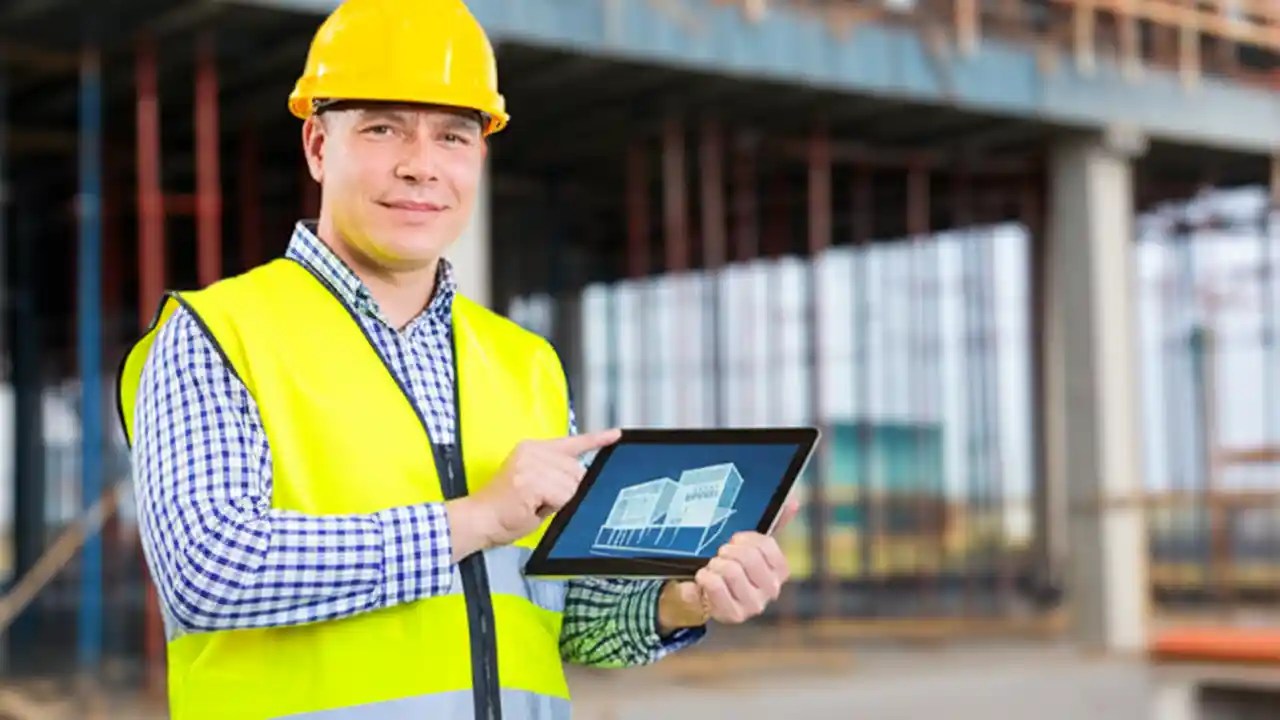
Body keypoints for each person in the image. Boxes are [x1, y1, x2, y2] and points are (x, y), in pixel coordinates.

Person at [115, 0, 799, 718]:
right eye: (383, 129)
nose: (420, 166)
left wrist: (683, 599)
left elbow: (562, 619)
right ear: (318, 146)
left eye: (453, 136)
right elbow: (212, 571)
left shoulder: (524, 362)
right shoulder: (217, 334)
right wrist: (472, 519)